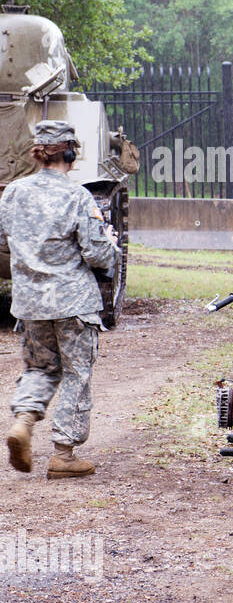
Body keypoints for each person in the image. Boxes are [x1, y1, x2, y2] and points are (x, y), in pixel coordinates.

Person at [2, 120, 121, 478]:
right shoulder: (78, 196)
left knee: (40, 368)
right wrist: (111, 247)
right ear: (70, 152)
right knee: (76, 372)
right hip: (73, 303)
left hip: (30, 302)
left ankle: (23, 421)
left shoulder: (13, 193)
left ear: (38, 153)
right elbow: (97, 254)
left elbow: (5, 242)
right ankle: (64, 454)